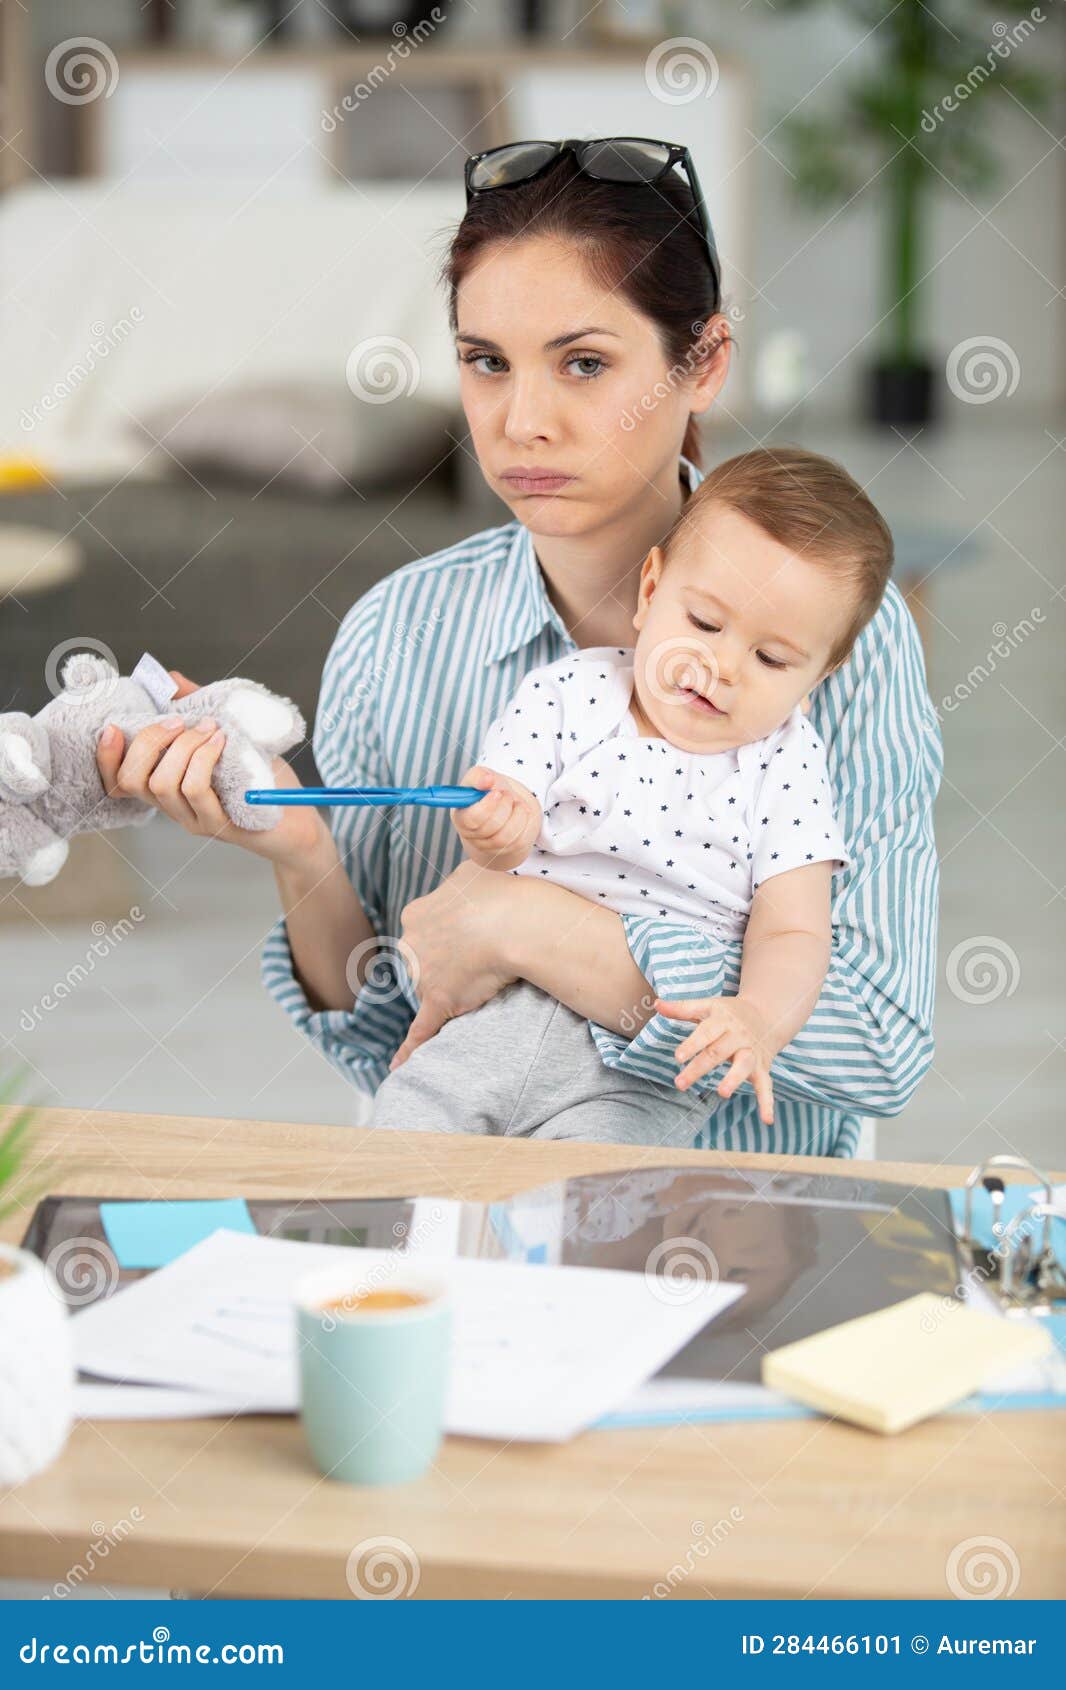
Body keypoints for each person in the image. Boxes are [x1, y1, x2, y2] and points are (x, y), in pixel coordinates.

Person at [95, 139, 942, 1157]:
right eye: (485, 362)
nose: (521, 423)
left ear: (704, 362)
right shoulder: (400, 636)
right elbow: (381, 1045)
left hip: (751, 1237)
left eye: (584, 363)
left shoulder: (829, 635)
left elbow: (880, 1044)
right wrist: (300, 850)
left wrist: (540, 932)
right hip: (480, 1230)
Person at [368, 446, 891, 1144]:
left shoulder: (789, 766)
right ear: (651, 592)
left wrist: (760, 1017)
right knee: (410, 1138)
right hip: (498, 1013)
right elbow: (504, 812)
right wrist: (498, 827)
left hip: (640, 1074)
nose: (720, 666)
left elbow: (794, 929)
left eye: (771, 659)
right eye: (704, 623)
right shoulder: (570, 693)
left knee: (594, 1214)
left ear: (823, 673)